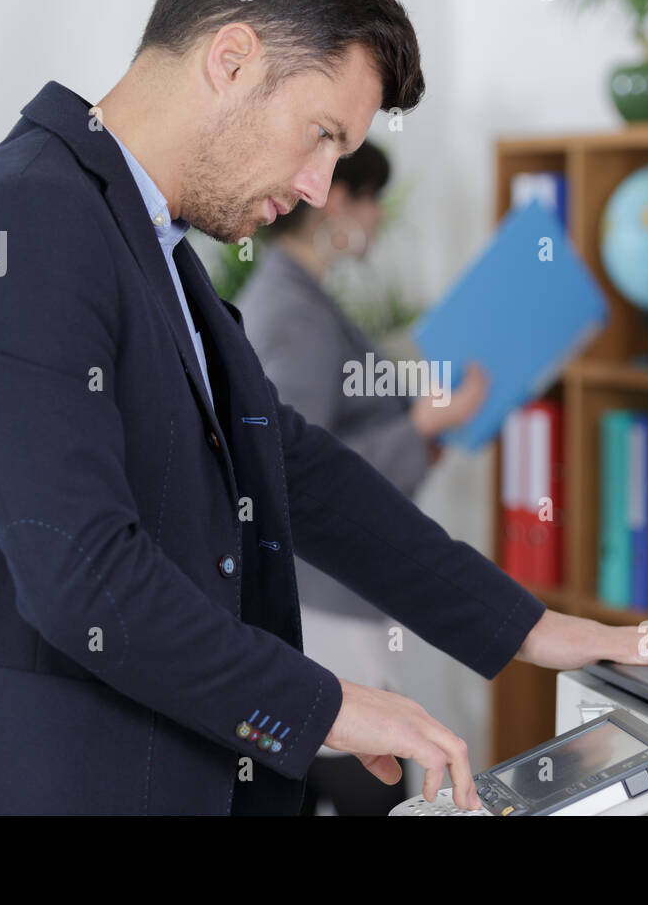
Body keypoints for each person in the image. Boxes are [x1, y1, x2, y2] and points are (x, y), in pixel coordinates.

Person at [0, 0, 648, 817]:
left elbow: (295, 467)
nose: (316, 189)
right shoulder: (24, 218)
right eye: (324, 135)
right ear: (232, 60)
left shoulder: (154, 250)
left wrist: (531, 629)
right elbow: (81, 571)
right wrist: (331, 705)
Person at [237, 140, 488, 814]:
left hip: (331, 592)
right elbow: (296, 470)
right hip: (323, 596)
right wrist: (423, 427)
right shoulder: (292, 310)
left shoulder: (300, 297)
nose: (379, 217)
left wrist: (422, 434)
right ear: (336, 201)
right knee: (367, 780)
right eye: (372, 198)